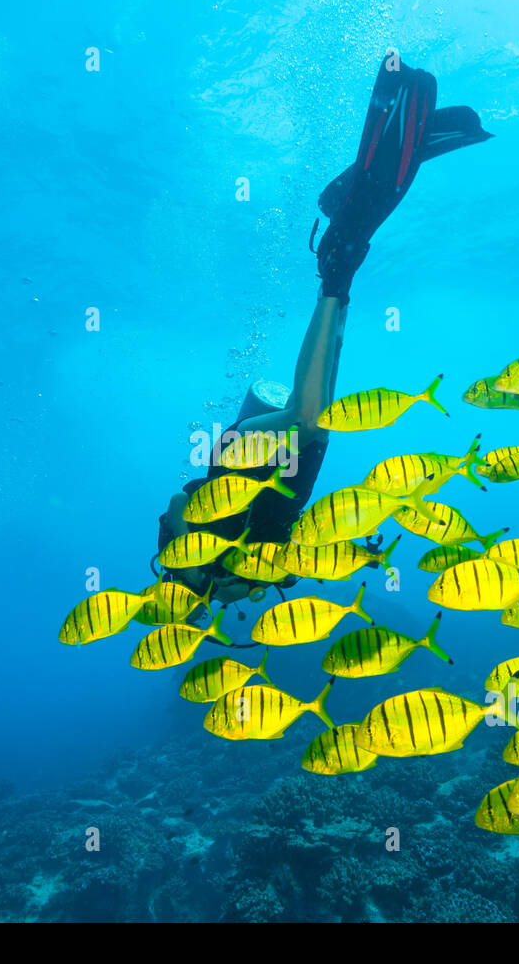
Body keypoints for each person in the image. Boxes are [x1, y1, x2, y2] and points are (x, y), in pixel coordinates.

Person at [154, 52, 491, 606]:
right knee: (322, 418)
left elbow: (175, 501)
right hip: (293, 479)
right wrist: (353, 550)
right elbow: (291, 562)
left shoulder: (175, 559)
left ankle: (335, 272)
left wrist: (193, 554)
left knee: (307, 412)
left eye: (182, 602)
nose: (195, 603)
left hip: (243, 458)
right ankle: (347, 251)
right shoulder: (231, 594)